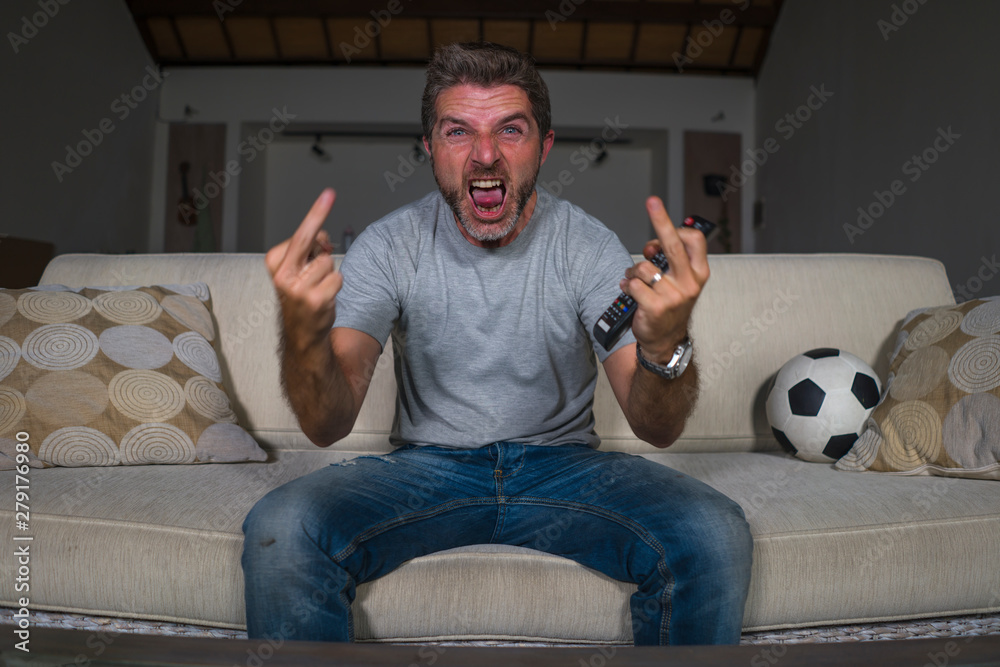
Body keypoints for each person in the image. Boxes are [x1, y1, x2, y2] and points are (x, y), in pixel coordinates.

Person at [242, 41, 753, 646]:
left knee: (713, 532)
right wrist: (302, 337)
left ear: (545, 145)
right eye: (458, 132)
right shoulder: (388, 246)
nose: (486, 157)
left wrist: (665, 346)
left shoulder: (586, 246)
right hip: (427, 470)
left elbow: (656, 427)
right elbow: (328, 423)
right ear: (429, 148)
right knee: (284, 524)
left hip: (564, 470)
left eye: (510, 130)